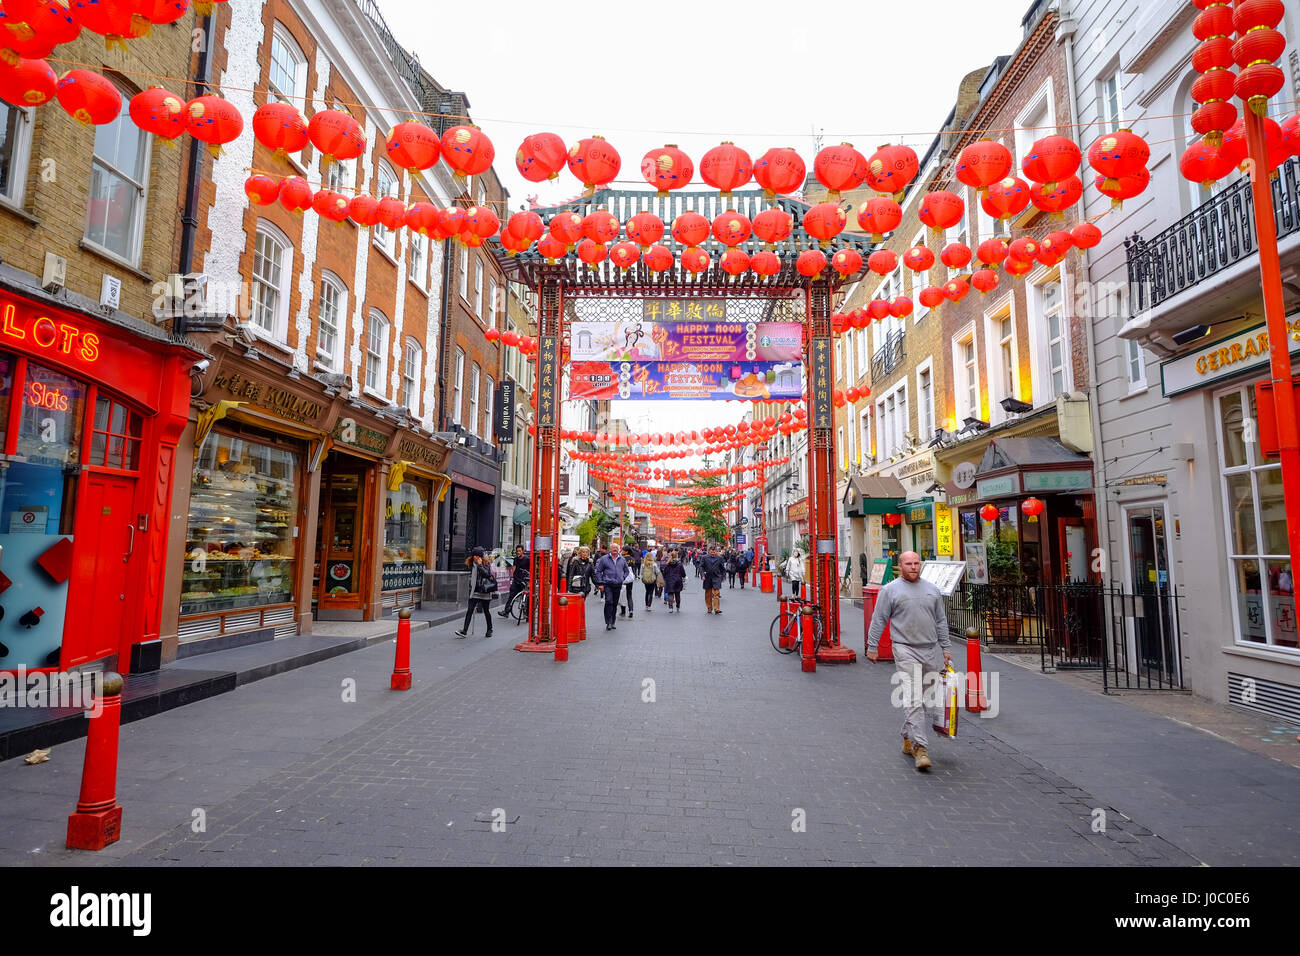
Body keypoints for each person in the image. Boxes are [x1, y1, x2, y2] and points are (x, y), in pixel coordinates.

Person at [866, 551, 954, 773]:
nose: (913, 567)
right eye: (909, 563)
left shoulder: (932, 590)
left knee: (923, 698)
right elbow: (879, 619)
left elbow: (941, 621)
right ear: (900, 566)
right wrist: (872, 646)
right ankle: (920, 747)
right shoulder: (890, 590)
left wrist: (946, 648)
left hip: (929, 649)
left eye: (916, 563)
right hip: (904, 649)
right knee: (913, 698)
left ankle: (907, 735)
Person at [454, 547, 495, 639]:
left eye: (477, 556)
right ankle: (464, 631)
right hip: (475, 591)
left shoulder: (486, 563)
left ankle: (490, 629)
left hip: (484, 591)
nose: (475, 558)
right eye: (474, 556)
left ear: (481, 556)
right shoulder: (472, 563)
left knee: (486, 611)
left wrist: (480, 566)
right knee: (470, 610)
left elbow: (487, 575)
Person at [595, 544, 629, 631]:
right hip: (607, 583)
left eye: (616, 548)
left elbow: (626, 571)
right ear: (610, 549)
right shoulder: (604, 559)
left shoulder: (622, 559)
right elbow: (598, 571)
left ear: (619, 549)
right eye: (613, 548)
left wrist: (622, 578)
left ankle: (613, 621)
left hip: (618, 584)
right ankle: (608, 622)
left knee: (614, 603)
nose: (615, 549)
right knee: (609, 601)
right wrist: (600, 583)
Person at [498, 544, 529, 617]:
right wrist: (512, 574)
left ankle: (526, 614)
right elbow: (514, 568)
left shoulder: (527, 559)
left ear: (523, 551)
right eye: (517, 551)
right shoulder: (515, 559)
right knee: (511, 596)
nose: (518, 552)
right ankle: (506, 612)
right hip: (516, 580)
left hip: (525, 581)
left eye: (519, 551)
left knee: (527, 598)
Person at [700, 544, 726, 614]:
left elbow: (722, 568)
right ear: (709, 551)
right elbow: (701, 567)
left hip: (716, 577)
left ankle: (716, 608)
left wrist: (723, 577)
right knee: (708, 594)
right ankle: (709, 607)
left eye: (714, 552)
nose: (713, 553)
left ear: (716, 552)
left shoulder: (719, 558)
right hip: (707, 577)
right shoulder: (704, 558)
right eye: (711, 552)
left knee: (716, 593)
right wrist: (702, 575)